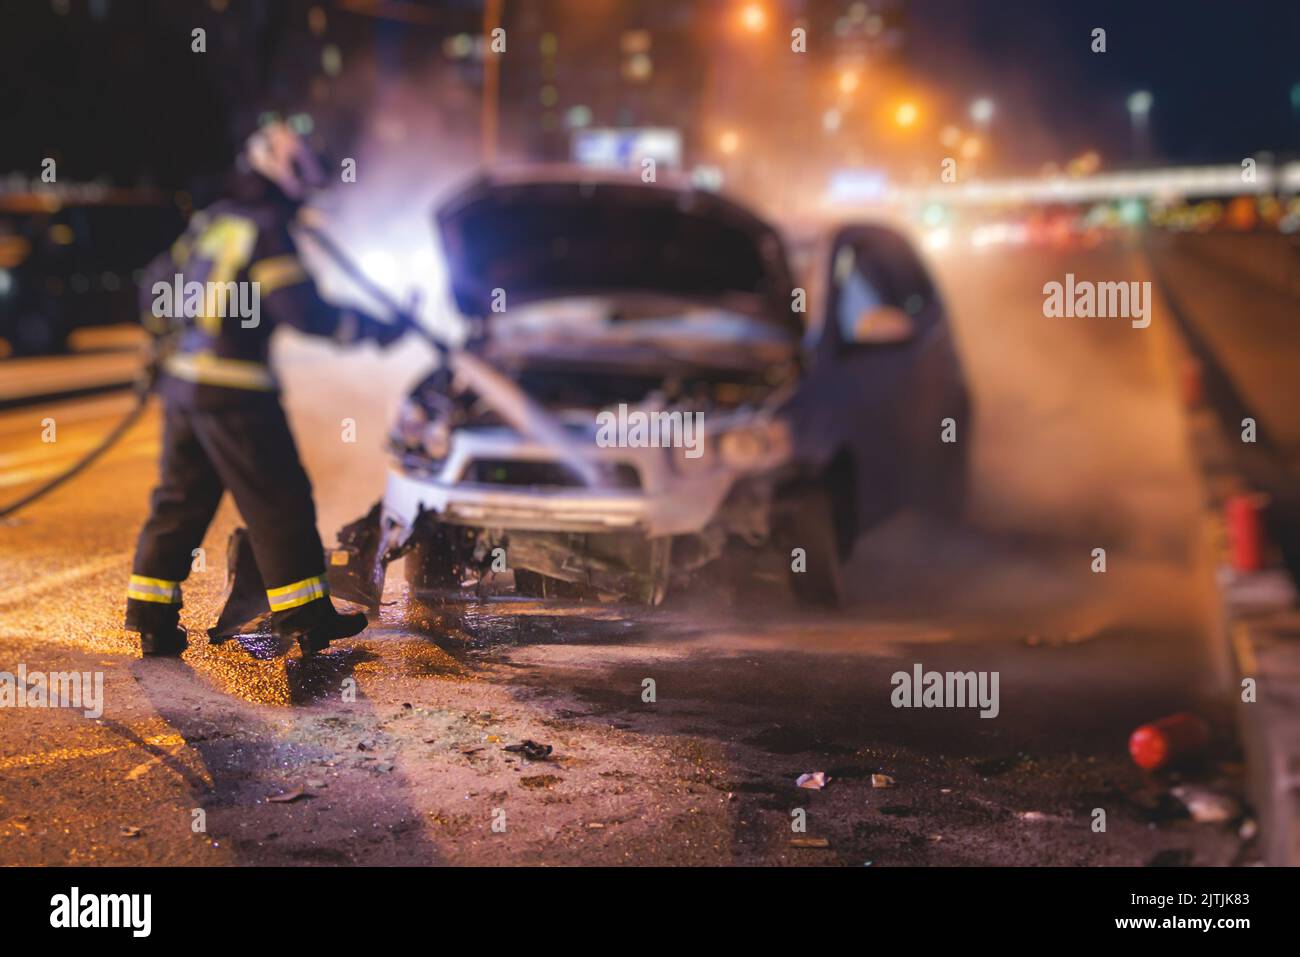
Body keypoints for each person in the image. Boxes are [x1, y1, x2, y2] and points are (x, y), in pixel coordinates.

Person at [125, 121, 405, 657]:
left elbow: (154, 289)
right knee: (280, 501)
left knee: (180, 502)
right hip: (236, 393)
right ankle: (304, 619)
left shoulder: (214, 222)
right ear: (288, 173)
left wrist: (163, 343)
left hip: (185, 390)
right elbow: (301, 310)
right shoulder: (267, 228)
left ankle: (150, 619)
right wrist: (371, 330)